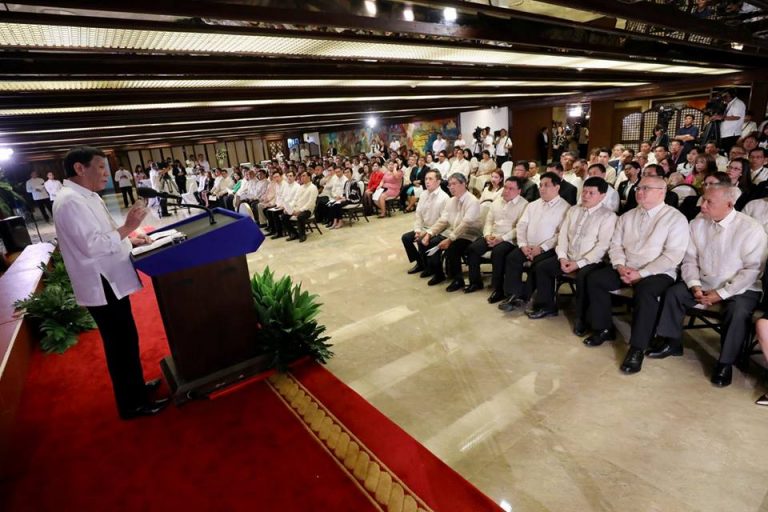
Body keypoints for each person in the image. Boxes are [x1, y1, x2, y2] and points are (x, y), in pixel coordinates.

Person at [53, 146, 168, 420]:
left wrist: (131, 237)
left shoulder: (86, 196)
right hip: (101, 283)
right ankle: (132, 404)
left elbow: (105, 235)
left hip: (109, 279)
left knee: (127, 340)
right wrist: (128, 227)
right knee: (120, 345)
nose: (107, 173)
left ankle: (136, 389)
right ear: (79, 168)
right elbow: (92, 246)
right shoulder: (70, 201)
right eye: (101, 167)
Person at [650, 184, 766, 385]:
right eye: (703, 199)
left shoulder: (751, 228)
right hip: (704, 282)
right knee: (674, 294)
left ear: (729, 204)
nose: (702, 205)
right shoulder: (698, 223)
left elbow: (752, 270)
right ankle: (672, 342)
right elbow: (689, 260)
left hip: (740, 288)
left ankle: (725, 363)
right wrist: (694, 285)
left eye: (708, 202)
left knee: (738, 310)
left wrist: (721, 293)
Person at [581, 176, 689, 375]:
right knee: (595, 279)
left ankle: (637, 348)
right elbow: (616, 245)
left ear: (661, 192)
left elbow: (673, 255)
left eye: (646, 188)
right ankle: (604, 328)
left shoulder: (675, 218)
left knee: (646, 292)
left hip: (658, 271)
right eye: (639, 188)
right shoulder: (628, 215)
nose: (639, 191)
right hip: (627, 267)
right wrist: (620, 266)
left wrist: (642, 273)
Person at [526, 177, 617, 322]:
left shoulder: (609, 216)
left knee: (584, 277)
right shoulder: (573, 210)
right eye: (584, 192)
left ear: (602, 196)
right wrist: (562, 257)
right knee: (543, 267)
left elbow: (602, 247)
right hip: (568, 257)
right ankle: (546, 306)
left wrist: (578, 264)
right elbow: (563, 236)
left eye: (591, 193)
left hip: (591, 261)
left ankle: (581, 318)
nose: (586, 196)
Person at [498, 172, 569, 312]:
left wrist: (541, 248)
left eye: (546, 185)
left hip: (548, 249)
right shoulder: (533, 205)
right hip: (527, 246)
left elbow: (560, 235)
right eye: (540, 185)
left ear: (557, 187)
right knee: (512, 258)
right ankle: (513, 294)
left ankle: (524, 297)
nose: (542, 188)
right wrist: (523, 245)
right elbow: (521, 225)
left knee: (538, 264)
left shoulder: (566, 208)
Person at [465, 176, 528, 297]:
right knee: (473, 248)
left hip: (510, 239)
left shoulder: (524, 205)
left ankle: (498, 288)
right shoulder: (497, 201)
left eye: (511, 189)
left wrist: (502, 239)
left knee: (498, 252)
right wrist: (487, 235)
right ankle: (475, 282)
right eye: (505, 187)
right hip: (493, 235)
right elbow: (489, 221)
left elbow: (519, 229)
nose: (507, 191)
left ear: (519, 191)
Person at [420, 173, 483, 291]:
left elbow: (466, 224)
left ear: (464, 184)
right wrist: (430, 233)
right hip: (456, 233)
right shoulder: (451, 201)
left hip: (471, 234)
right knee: (433, 241)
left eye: (454, 184)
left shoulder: (472, 201)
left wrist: (450, 239)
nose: (451, 187)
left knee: (453, 248)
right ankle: (438, 274)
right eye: (449, 185)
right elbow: (443, 220)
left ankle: (458, 279)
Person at [401, 170, 449, 276]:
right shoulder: (423, 194)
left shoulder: (444, 197)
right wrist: (418, 230)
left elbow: (444, 221)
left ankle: (431, 267)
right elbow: (418, 215)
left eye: (430, 179)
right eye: (426, 179)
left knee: (423, 240)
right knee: (406, 238)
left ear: (438, 181)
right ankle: (420, 262)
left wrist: (428, 232)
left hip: (438, 230)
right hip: (424, 228)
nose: (427, 181)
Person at [282, 171, 318, 243]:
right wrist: (289, 208)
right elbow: (295, 200)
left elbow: (310, 203)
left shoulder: (313, 187)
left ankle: (302, 235)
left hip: (307, 210)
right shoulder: (300, 187)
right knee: (284, 216)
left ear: (309, 177)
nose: (302, 177)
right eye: (301, 176)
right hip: (297, 208)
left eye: (304, 176)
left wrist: (300, 210)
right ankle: (294, 234)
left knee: (300, 216)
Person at [713, 89, 746, 153]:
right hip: (726, 133)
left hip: (731, 134)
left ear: (732, 95)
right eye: (723, 96)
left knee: (728, 152)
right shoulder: (730, 103)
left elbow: (737, 117)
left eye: (725, 96)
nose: (723, 98)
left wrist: (720, 117)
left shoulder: (738, 103)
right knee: (724, 151)